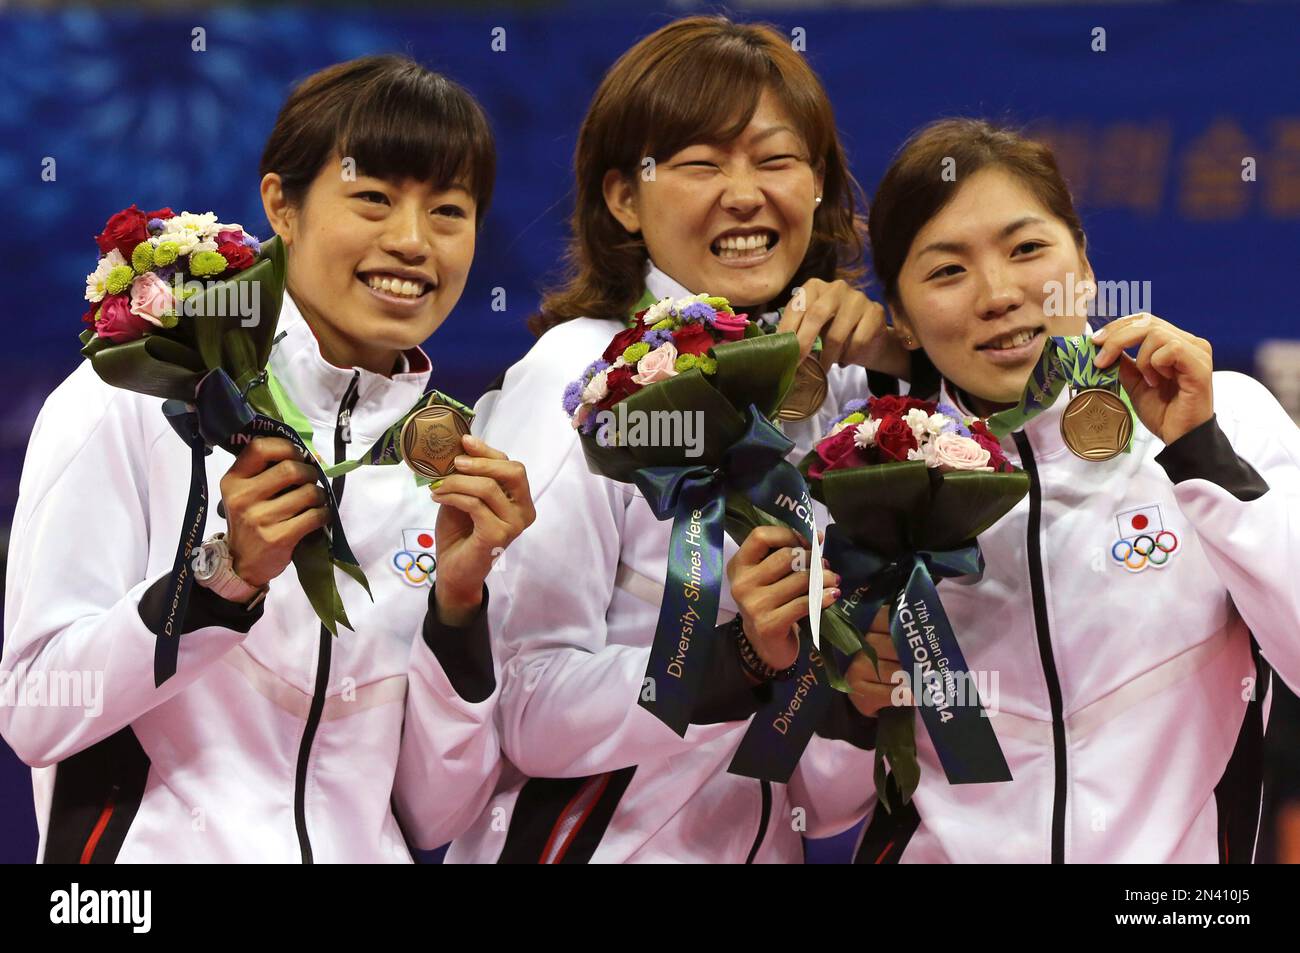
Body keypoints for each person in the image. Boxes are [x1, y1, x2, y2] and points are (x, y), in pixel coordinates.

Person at [1, 55, 534, 863]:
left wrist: (459, 611)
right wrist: (223, 578)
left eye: (449, 212)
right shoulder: (141, 393)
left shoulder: (442, 466)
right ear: (281, 205)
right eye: (374, 199)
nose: (412, 242)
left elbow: (433, 816)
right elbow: (37, 707)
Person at [448, 16, 907, 863]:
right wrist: (732, 658)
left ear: (817, 188)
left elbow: (828, 795)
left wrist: (895, 368)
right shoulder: (579, 376)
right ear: (624, 197)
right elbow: (523, 705)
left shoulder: (846, 391)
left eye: (776, 160)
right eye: (701, 163)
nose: (744, 193)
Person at [847, 117, 1298, 863]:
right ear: (901, 317)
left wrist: (1199, 453)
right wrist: (855, 702)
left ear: (1083, 266)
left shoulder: (1224, 417)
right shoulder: (873, 480)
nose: (998, 293)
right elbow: (828, 797)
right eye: (947, 271)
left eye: (1028, 250)